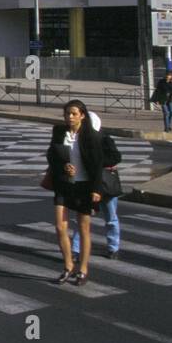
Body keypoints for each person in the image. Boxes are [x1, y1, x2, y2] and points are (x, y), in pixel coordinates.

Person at [47, 99, 105, 286]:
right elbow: (51, 156)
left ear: (82, 115)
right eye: (67, 114)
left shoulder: (92, 137)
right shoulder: (59, 132)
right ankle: (68, 265)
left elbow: (97, 166)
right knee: (60, 226)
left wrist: (97, 189)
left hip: (84, 186)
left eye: (73, 113)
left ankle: (83, 269)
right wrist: (64, 166)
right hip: (64, 184)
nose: (69, 117)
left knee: (83, 228)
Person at [71, 110, 122, 261]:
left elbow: (115, 157)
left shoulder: (105, 139)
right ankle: (76, 249)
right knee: (83, 217)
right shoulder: (78, 140)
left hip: (105, 183)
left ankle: (113, 247)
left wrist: (96, 163)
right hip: (88, 183)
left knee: (110, 217)